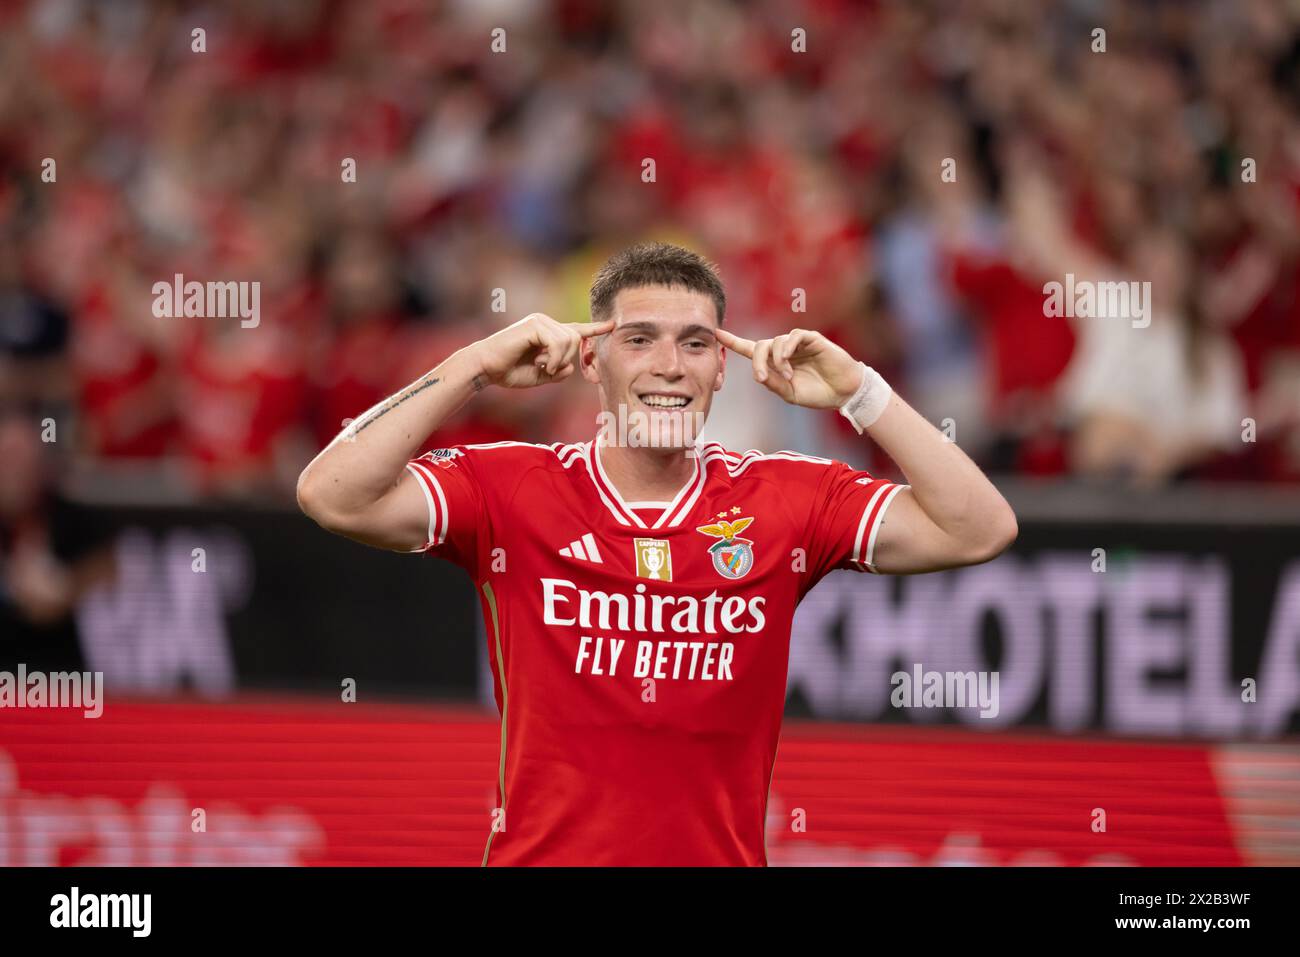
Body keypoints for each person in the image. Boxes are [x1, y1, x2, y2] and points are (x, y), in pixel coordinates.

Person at [295, 242, 1017, 865]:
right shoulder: (512, 488)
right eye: (638, 338)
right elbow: (333, 492)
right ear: (591, 359)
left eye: (697, 342)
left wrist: (861, 390)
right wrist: (473, 366)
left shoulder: (785, 501)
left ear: (722, 367)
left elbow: (979, 527)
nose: (670, 365)